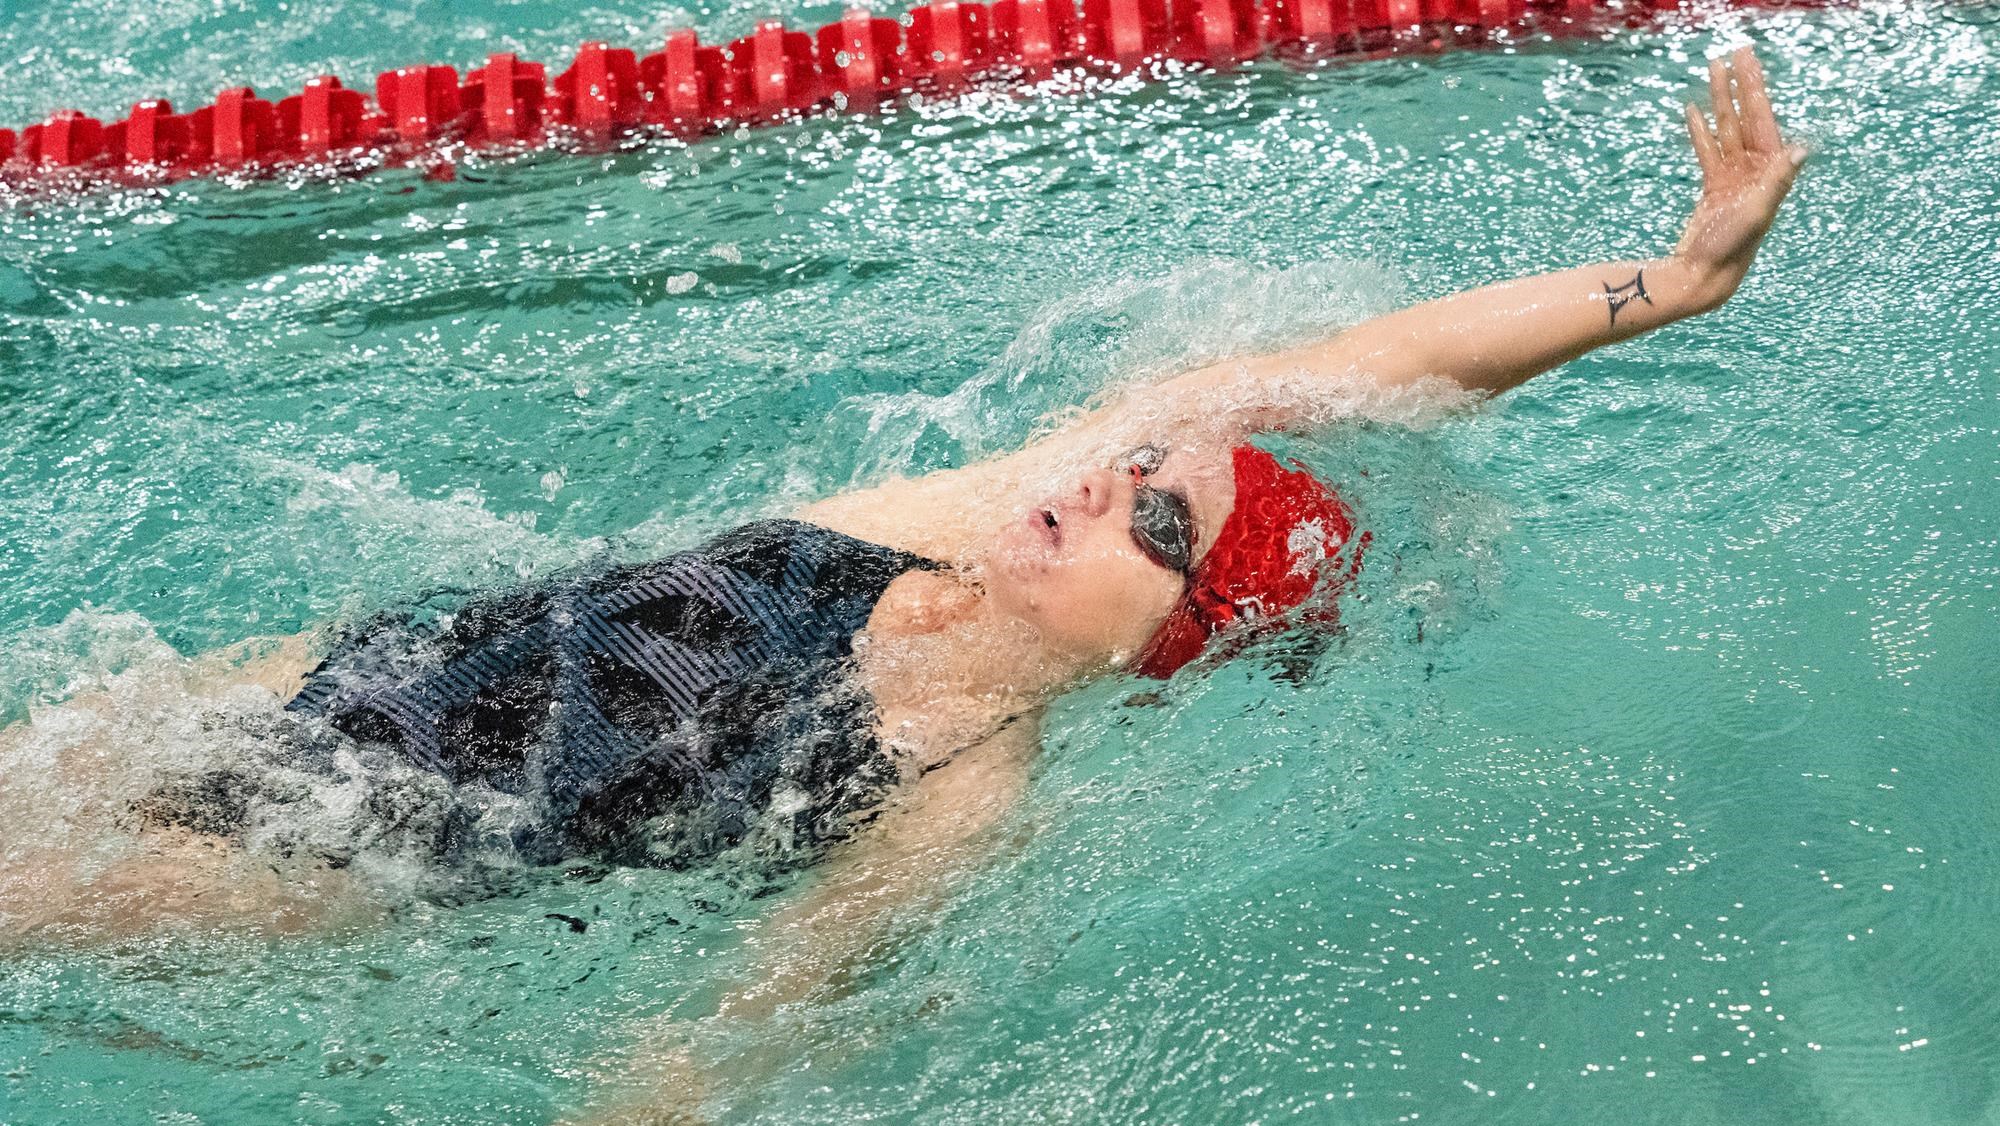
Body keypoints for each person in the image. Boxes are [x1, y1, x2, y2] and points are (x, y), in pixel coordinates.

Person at [1, 43, 1801, 1046]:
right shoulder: (952, 519)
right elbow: (1380, 365)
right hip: (366, 669)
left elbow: (702, 1050)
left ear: (1156, 647)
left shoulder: (956, 787)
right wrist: (1670, 283)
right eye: (1140, 462)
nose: (1109, 480)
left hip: (352, 862)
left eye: (1155, 519)